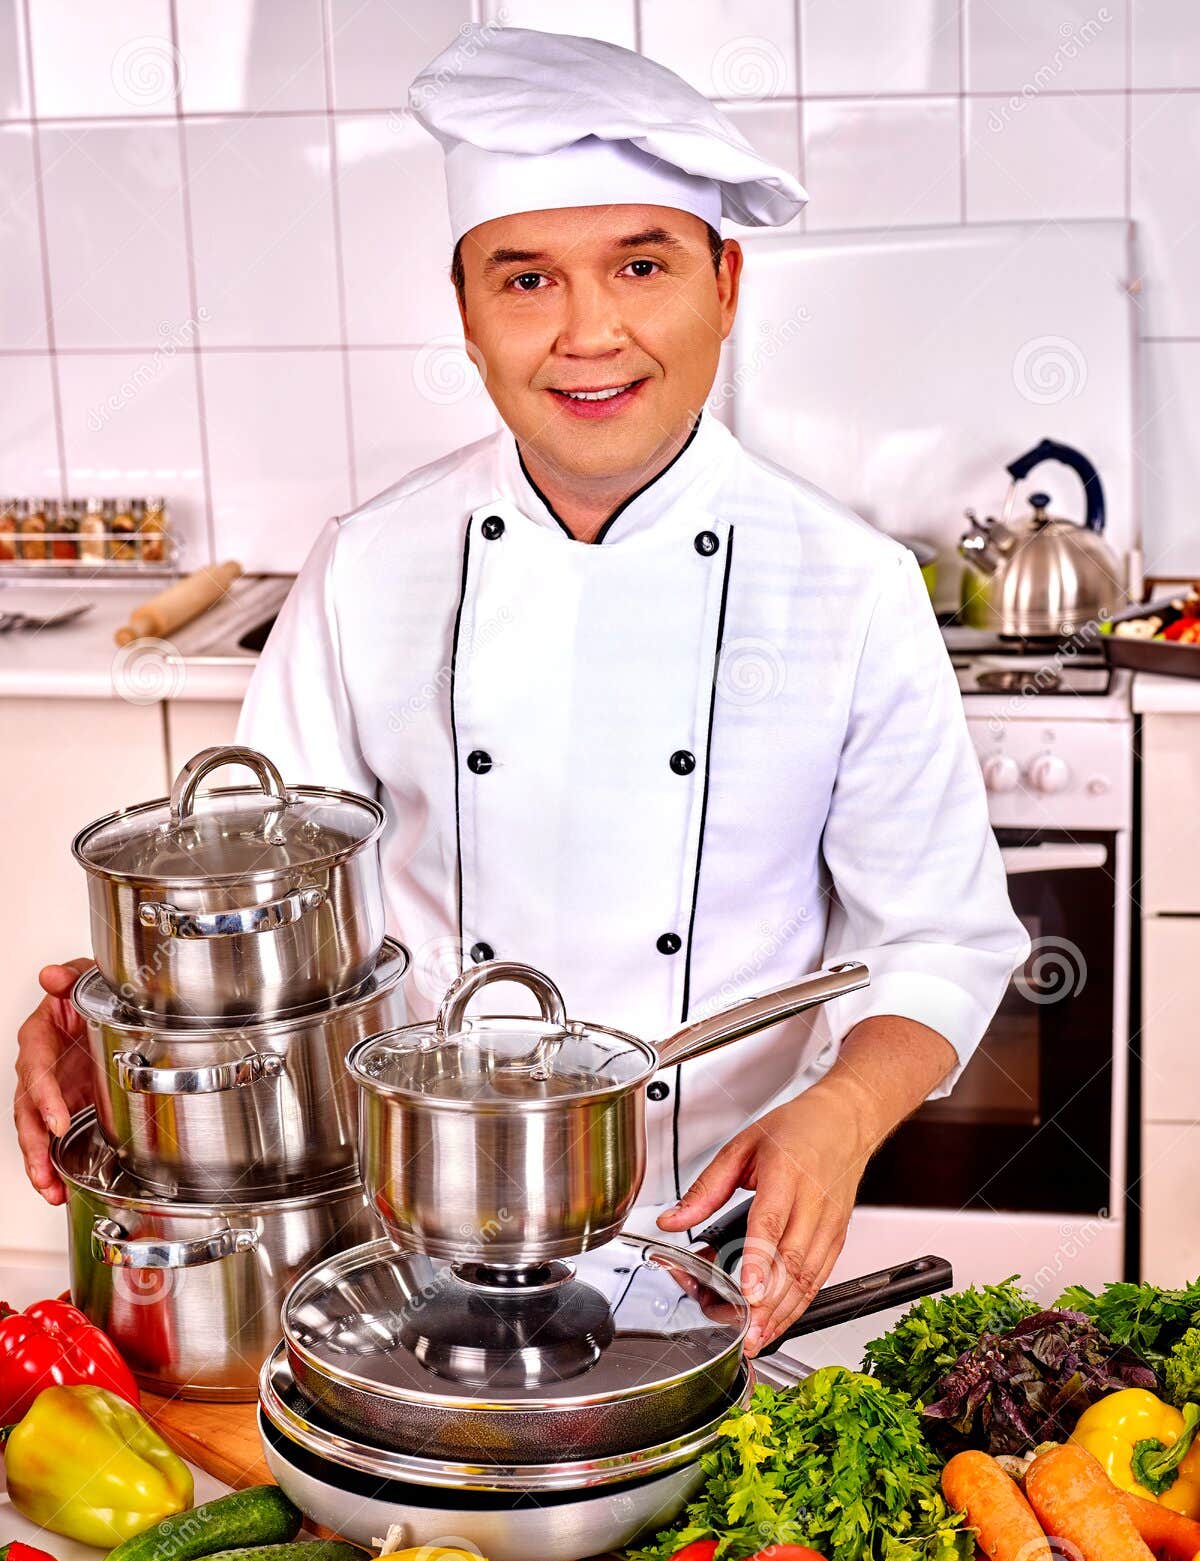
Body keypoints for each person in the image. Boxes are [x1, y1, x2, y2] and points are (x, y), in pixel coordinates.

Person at [13, 28, 1028, 1357]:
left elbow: (942, 940)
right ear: (466, 310)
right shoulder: (366, 569)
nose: (589, 333)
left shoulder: (853, 587)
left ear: (727, 283)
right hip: (400, 1257)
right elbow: (277, 921)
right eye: (527, 277)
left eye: (642, 266)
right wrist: (133, 1031)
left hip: (716, 1248)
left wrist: (839, 1113)